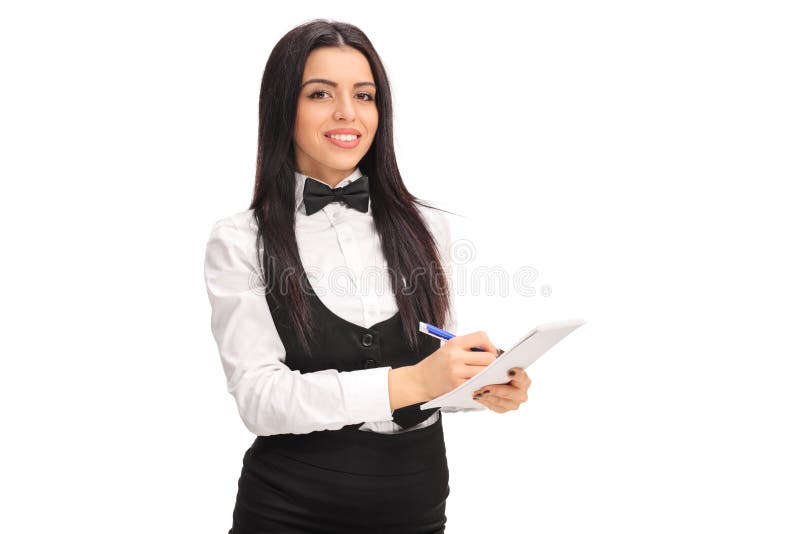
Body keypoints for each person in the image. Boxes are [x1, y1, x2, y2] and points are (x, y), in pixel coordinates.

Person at [203, 19, 532, 533]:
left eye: (364, 94)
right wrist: (409, 381)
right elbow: (260, 400)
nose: (347, 114)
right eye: (320, 94)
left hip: (415, 503)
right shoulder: (241, 240)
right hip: (291, 509)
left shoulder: (427, 226)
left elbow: (431, 364)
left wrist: (480, 386)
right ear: (282, 106)